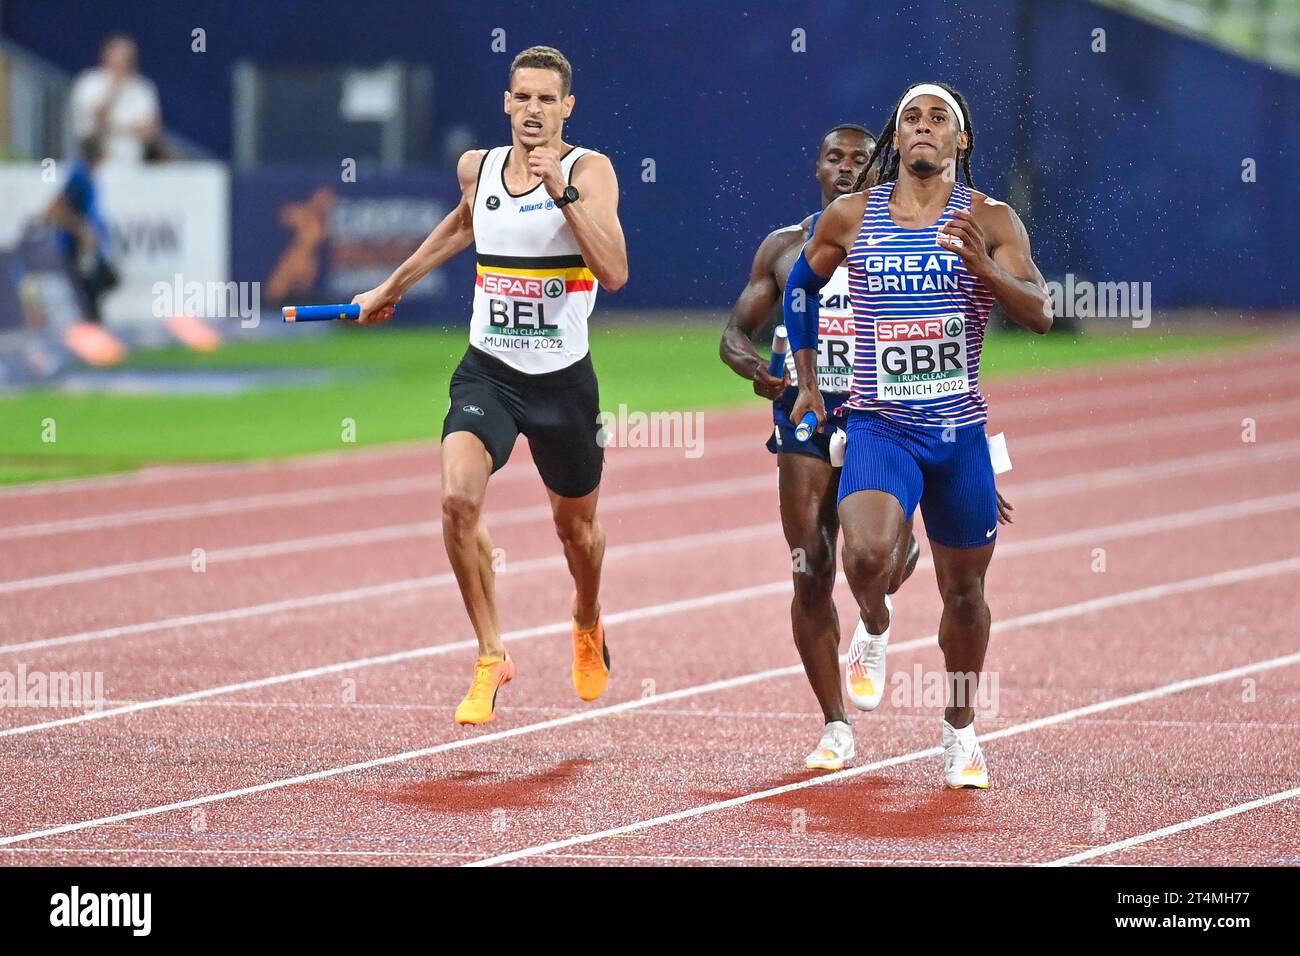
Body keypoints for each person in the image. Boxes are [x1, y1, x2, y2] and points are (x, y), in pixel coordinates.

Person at [351, 46, 628, 726]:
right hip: (490, 372)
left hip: (563, 384)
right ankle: (490, 654)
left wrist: (561, 191)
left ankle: (586, 618)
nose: (533, 110)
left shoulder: (589, 171)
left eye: (546, 99)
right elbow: (463, 224)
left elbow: (615, 271)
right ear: (507, 102)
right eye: (522, 97)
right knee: (455, 501)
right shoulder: (478, 168)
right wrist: (389, 288)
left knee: (578, 533)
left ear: (567, 108)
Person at [785, 82, 1051, 788]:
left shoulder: (989, 217)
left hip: (958, 433)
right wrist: (809, 380)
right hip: (880, 424)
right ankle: (874, 625)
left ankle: (960, 730)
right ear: (895, 139)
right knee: (866, 556)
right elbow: (799, 290)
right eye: (911, 118)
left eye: (939, 119)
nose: (924, 127)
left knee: (964, 594)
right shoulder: (850, 217)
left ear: (960, 141)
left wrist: (985, 267)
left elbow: (1042, 313)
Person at [45, 135, 117, 323]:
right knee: (92, 289)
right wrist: (82, 231)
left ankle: (93, 327)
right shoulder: (79, 176)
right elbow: (56, 210)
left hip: (88, 247)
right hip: (75, 247)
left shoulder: (88, 174)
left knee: (102, 283)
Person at [69, 35, 162, 167]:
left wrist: (114, 127)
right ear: (106, 54)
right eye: (119, 56)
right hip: (95, 161)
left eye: (127, 57)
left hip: (133, 161)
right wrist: (116, 88)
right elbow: (98, 119)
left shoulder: (142, 87)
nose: (123, 62)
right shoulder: (89, 82)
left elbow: (149, 129)